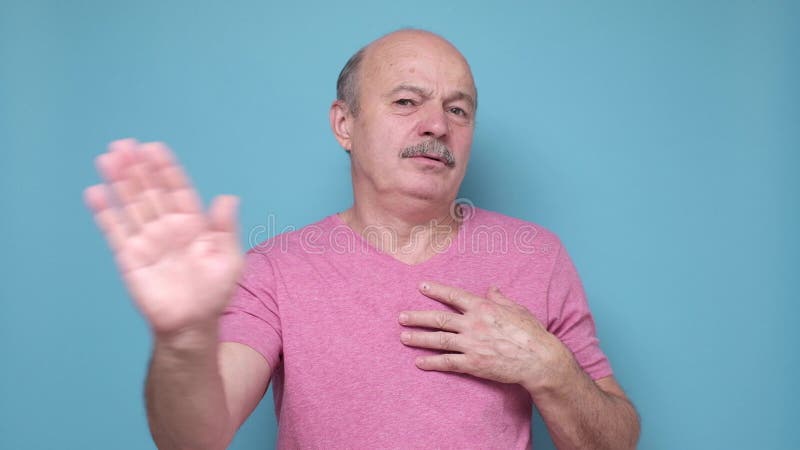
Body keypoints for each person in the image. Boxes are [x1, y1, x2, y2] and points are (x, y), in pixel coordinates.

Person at [84, 29, 640, 449]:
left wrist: (552, 370)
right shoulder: (273, 270)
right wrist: (182, 339)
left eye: (458, 109)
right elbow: (191, 439)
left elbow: (617, 438)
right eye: (406, 101)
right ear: (344, 124)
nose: (437, 126)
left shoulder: (536, 256)